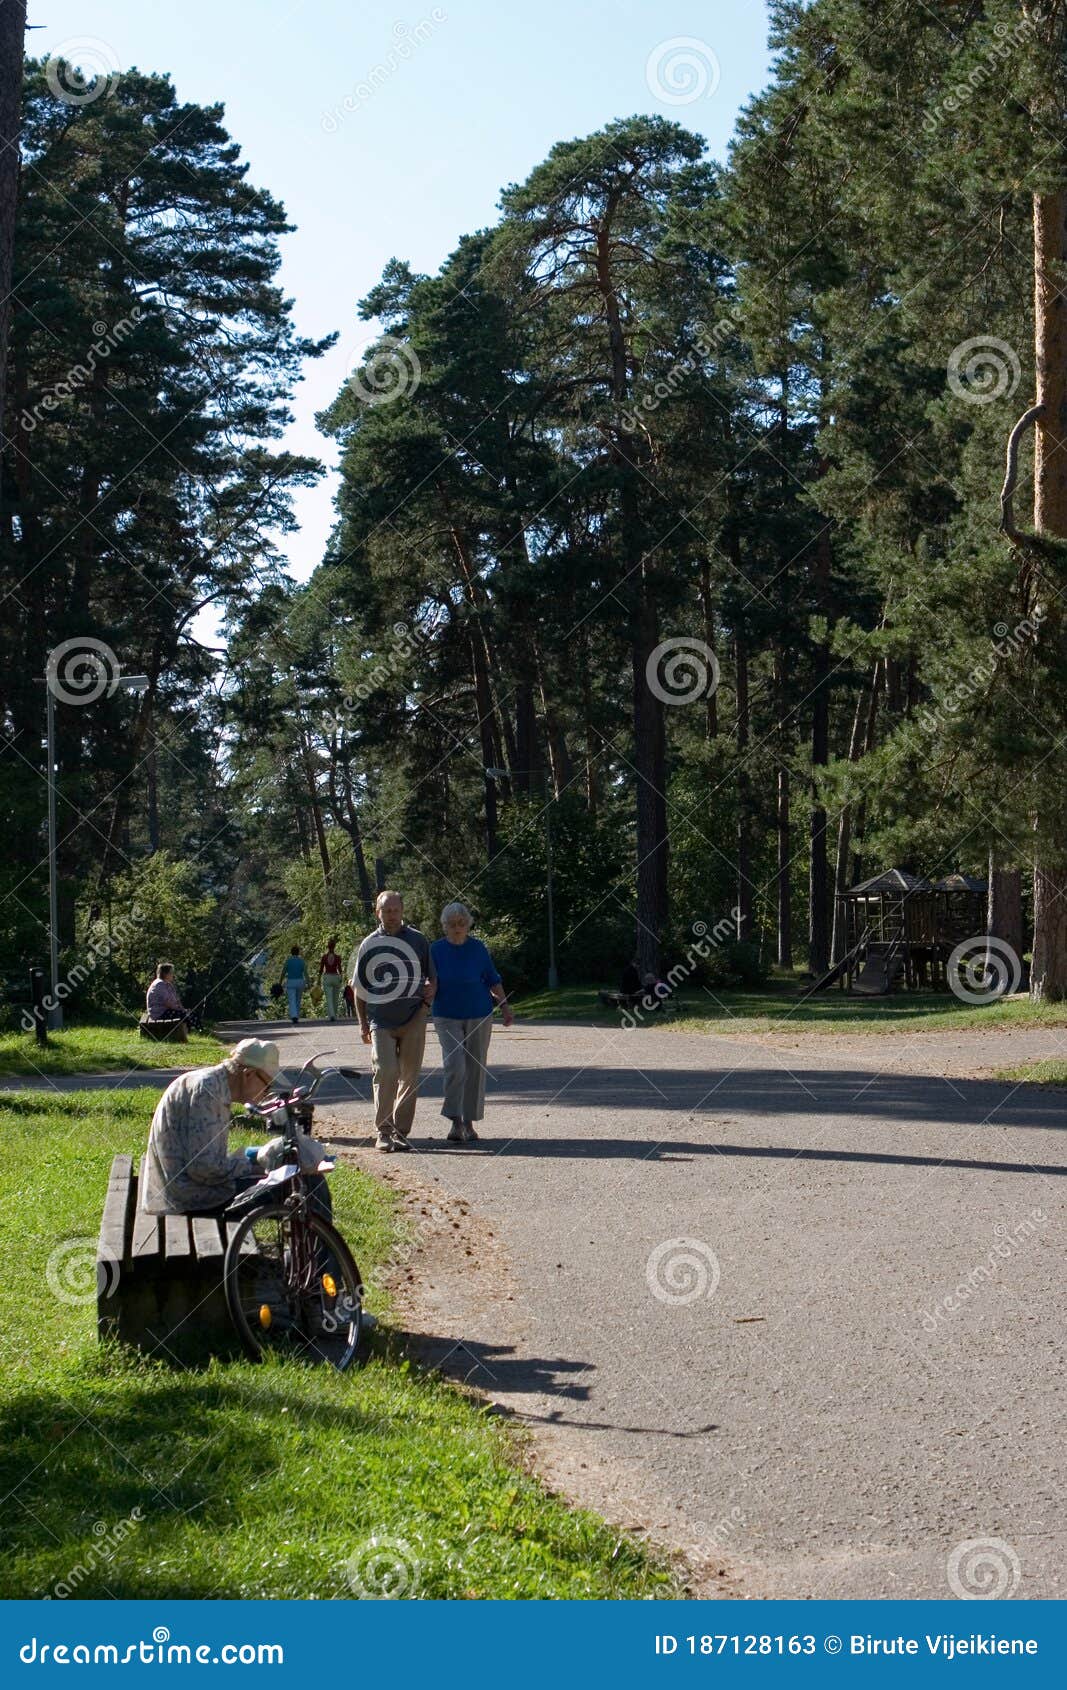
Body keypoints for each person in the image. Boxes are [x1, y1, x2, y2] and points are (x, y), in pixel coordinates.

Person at [353, 889, 435, 1152]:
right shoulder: (369, 944)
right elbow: (359, 988)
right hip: (381, 1021)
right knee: (386, 1071)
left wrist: (425, 1006)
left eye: (395, 910)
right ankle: (383, 1131)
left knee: (410, 1076)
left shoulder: (418, 940)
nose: (391, 915)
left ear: (402, 911)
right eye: (386, 911)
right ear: (377, 913)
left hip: (414, 1018)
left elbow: (433, 978)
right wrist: (362, 1024)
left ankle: (402, 1132)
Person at [431, 902, 512, 1144]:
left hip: (479, 1014)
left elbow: (492, 979)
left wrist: (505, 1006)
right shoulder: (435, 950)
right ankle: (455, 1120)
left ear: (468, 925)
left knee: (475, 1068)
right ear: (444, 926)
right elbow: (427, 981)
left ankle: (469, 1122)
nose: (457, 928)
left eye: (461, 924)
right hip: (446, 1015)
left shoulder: (478, 948)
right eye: (452, 924)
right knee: (455, 1065)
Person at [145, 962, 189, 1042]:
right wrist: (180, 1010)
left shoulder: (167, 984)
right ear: (165, 974)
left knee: (188, 1013)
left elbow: (177, 999)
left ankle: (184, 1037)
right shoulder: (160, 984)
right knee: (185, 1015)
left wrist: (182, 1008)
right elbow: (168, 1003)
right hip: (158, 1013)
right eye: (171, 973)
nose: (173, 975)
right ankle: (183, 1038)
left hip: (165, 1011)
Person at [318, 937, 344, 1022]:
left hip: (327, 977)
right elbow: (340, 969)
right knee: (336, 998)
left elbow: (321, 969)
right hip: (336, 977)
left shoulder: (324, 957)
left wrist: (318, 980)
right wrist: (341, 977)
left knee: (329, 998)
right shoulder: (338, 957)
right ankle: (334, 1015)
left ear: (328, 947)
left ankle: (332, 1015)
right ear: (334, 946)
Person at [281, 946, 307, 1024]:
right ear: (298, 952)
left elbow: (283, 972)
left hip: (291, 982)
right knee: (298, 1000)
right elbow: (305, 973)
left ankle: (294, 1016)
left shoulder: (288, 961)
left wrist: (280, 981)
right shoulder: (301, 961)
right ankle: (297, 1015)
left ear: (291, 952)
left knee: (292, 999)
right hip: (300, 982)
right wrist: (309, 983)